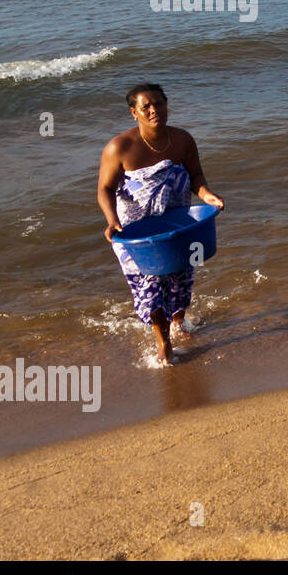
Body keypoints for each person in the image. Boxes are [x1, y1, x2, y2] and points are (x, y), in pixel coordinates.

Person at [97, 83, 224, 366]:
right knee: (151, 283)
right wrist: (111, 220)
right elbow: (105, 189)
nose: (154, 110)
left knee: (181, 276)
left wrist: (207, 195)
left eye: (159, 104)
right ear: (134, 112)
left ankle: (178, 322)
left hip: (178, 223)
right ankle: (163, 342)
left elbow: (196, 177)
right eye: (146, 106)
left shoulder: (182, 140)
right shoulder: (120, 147)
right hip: (137, 232)